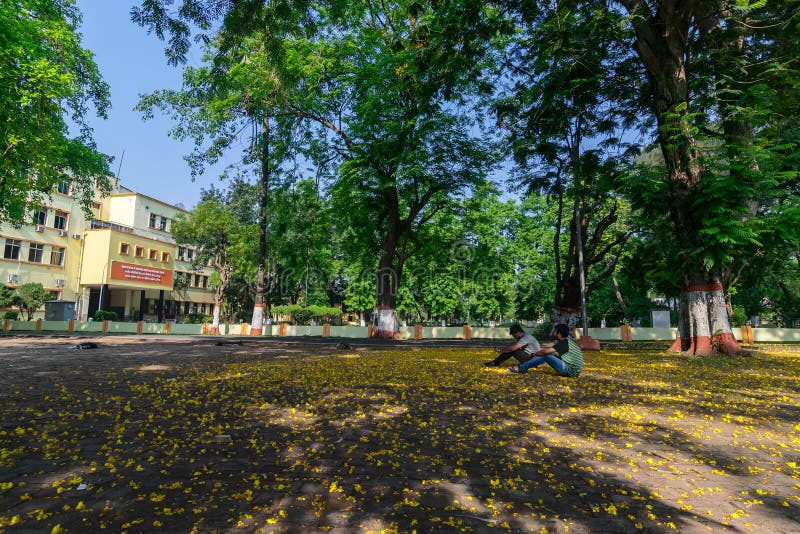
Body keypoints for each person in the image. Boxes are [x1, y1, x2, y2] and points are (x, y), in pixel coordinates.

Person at [509, 323, 583, 377]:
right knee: (550, 355)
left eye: (555, 331)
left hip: (569, 371)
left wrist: (534, 354)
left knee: (546, 355)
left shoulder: (564, 343)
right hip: (574, 371)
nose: (553, 333)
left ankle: (521, 368)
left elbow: (545, 352)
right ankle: (524, 366)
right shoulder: (568, 341)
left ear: (559, 334)